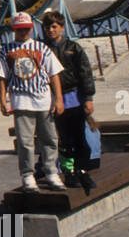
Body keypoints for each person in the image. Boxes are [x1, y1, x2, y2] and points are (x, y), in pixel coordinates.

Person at [0, 12, 65, 191]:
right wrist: (3, 99)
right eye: (19, 29)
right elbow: (2, 76)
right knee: (25, 142)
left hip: (43, 100)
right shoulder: (6, 50)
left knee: (49, 138)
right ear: (14, 30)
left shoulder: (42, 48)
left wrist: (58, 99)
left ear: (31, 29)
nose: (23, 32)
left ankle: (51, 171)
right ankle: (27, 175)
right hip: (21, 100)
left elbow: (53, 74)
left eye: (26, 29)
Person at [40, 12, 97, 190]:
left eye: (54, 27)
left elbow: (85, 74)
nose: (50, 30)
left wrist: (88, 98)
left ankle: (83, 170)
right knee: (64, 140)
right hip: (54, 101)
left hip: (74, 99)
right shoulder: (42, 50)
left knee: (80, 137)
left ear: (62, 28)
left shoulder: (73, 48)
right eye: (48, 27)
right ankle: (68, 172)